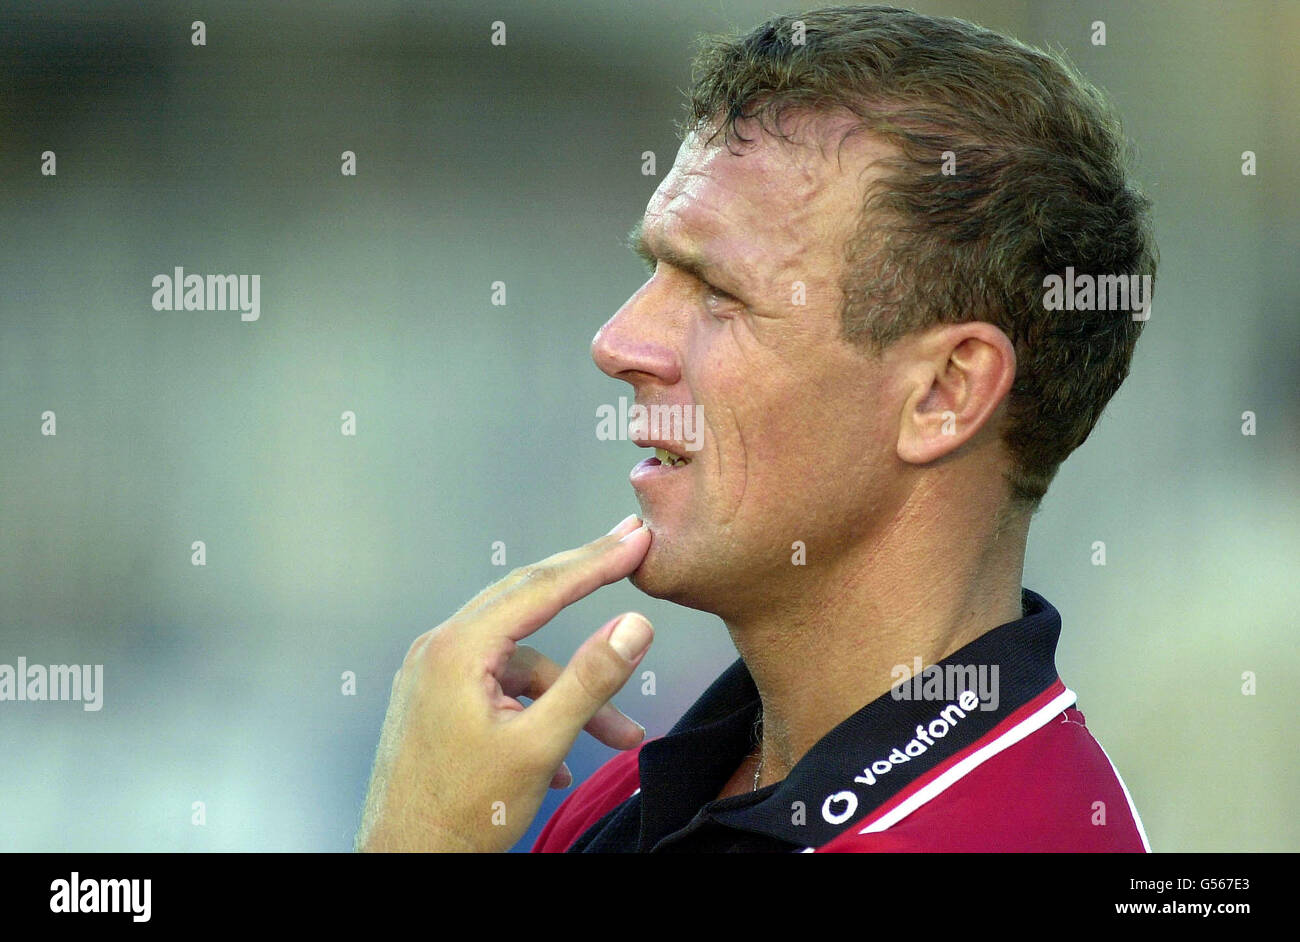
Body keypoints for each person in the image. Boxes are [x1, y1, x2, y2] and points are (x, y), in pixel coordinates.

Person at [355, 4, 1156, 853]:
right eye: (653, 270)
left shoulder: (991, 837)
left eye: (718, 294)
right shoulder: (631, 795)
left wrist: (422, 837)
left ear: (942, 392)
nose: (617, 344)